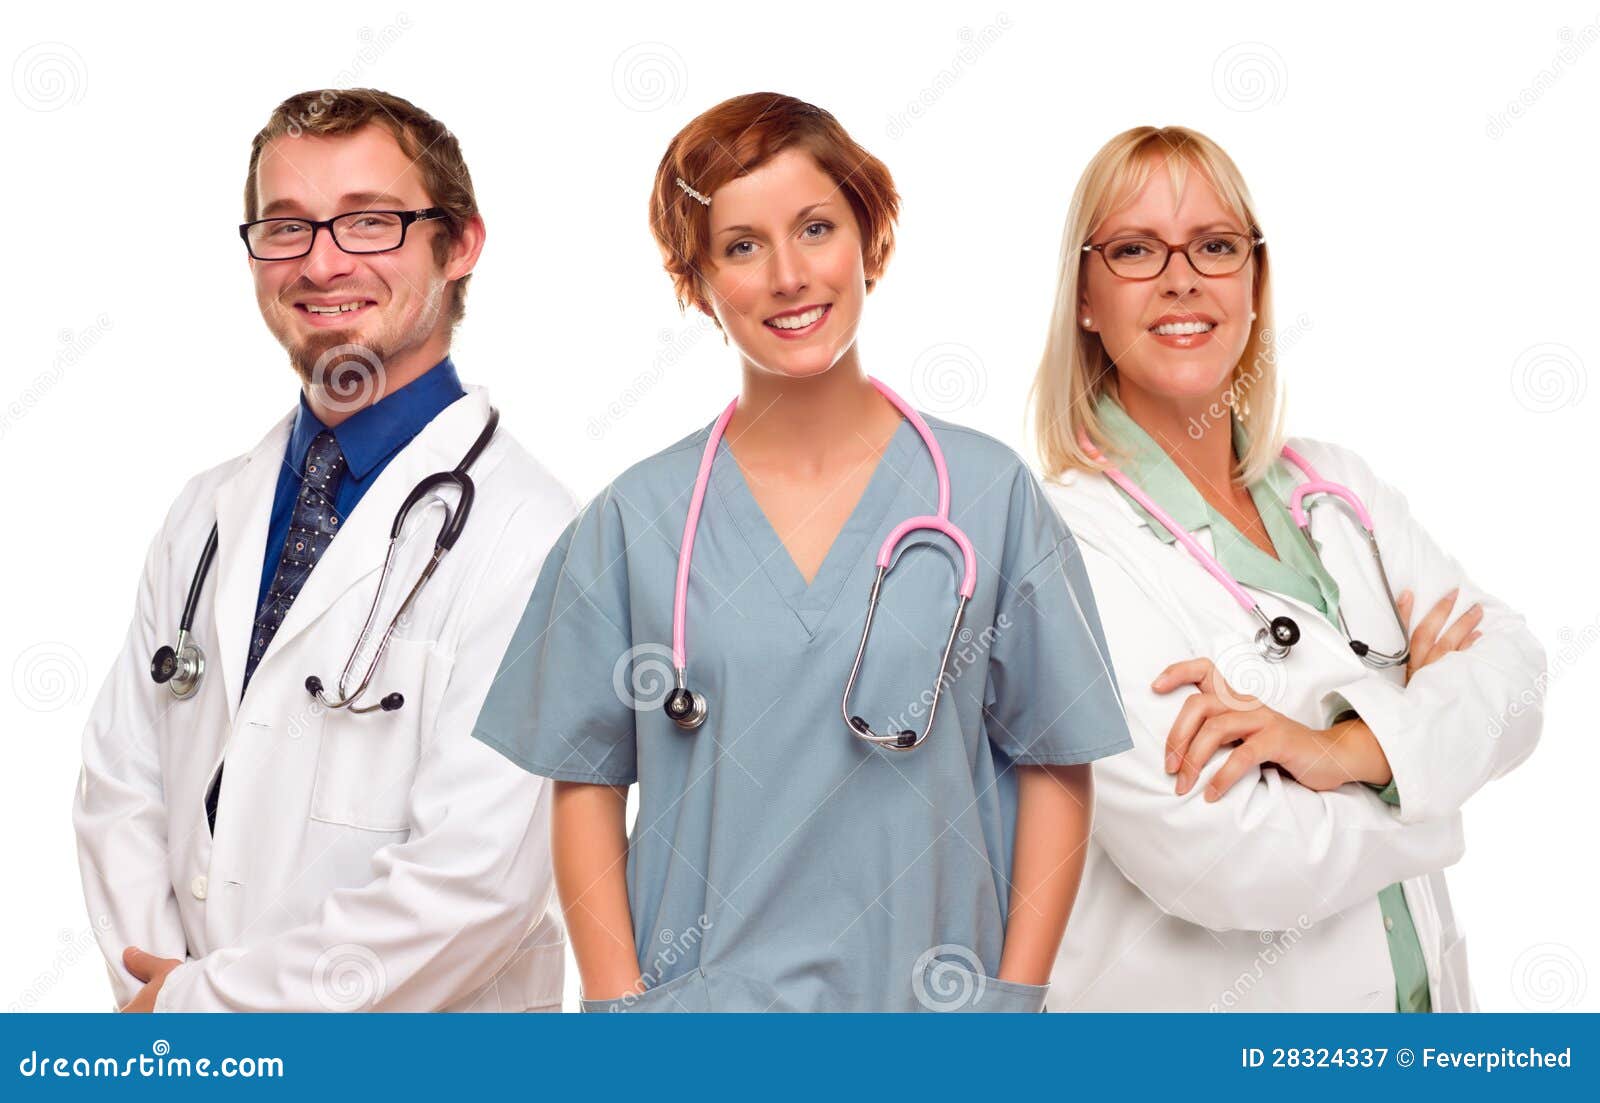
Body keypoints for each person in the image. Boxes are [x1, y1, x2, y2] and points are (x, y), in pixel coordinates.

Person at [470, 92, 1132, 1012]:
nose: (788, 274)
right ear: (698, 280)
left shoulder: (987, 495)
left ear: (869, 239)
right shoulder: (634, 519)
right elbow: (585, 784)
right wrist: (622, 1013)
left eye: (816, 228)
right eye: (742, 245)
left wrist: (1013, 1000)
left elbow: (1057, 759)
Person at [72, 88, 572, 1012]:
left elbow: (478, 884)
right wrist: (163, 1002)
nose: (322, 261)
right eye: (286, 227)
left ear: (458, 244)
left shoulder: (536, 537)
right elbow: (120, 787)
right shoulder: (205, 514)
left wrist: (205, 1009)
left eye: (369, 223)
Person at [1030, 125, 1546, 1011]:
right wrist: (1431, 767)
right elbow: (1228, 862)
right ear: (1085, 296)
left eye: (1216, 246)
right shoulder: (1059, 545)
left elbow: (1521, 680)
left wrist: (1340, 749)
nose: (1182, 278)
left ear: (1255, 282)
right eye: (1136, 249)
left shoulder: (1336, 487)